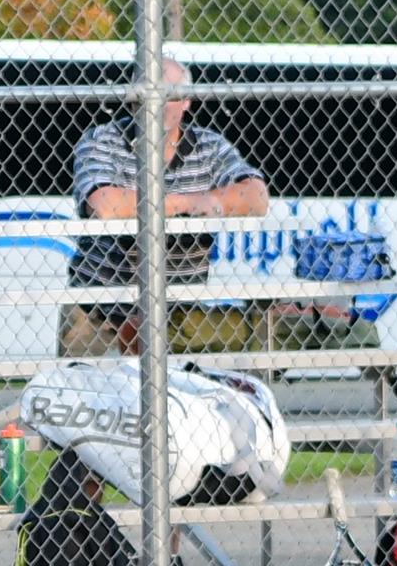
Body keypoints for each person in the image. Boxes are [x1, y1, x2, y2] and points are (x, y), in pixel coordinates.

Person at [64, 58, 270, 357]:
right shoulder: (102, 140)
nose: (157, 104)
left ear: (186, 102)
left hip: (178, 316)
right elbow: (105, 205)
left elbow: (256, 197)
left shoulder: (209, 146)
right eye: (147, 93)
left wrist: (209, 202)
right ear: (132, 98)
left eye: (169, 95)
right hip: (102, 312)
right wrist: (189, 202)